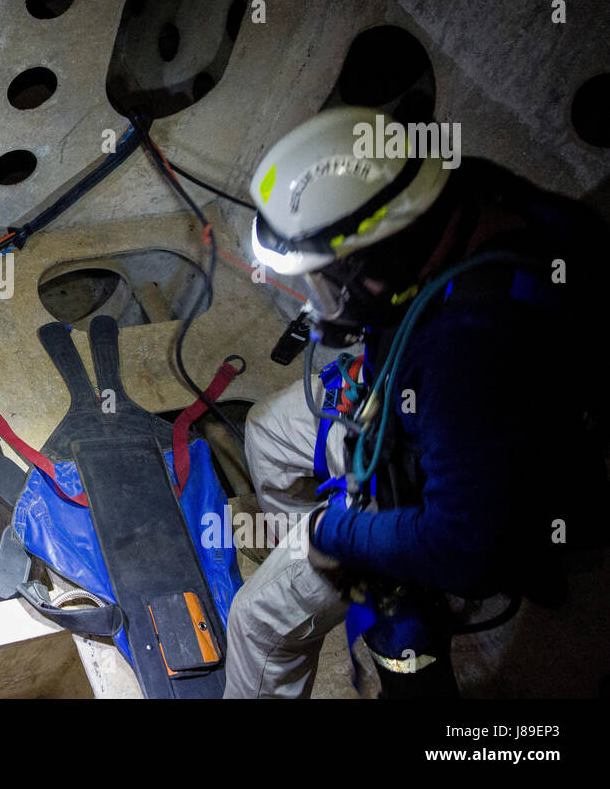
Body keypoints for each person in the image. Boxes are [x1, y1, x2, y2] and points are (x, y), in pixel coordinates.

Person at [223, 106, 607, 698]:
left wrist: (336, 535)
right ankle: (312, 571)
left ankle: (325, 577)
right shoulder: (447, 195)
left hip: (452, 473)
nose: (315, 303)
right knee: (269, 429)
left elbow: (466, 550)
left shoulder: (473, 348)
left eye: (326, 280)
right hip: (407, 400)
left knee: (255, 621)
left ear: (376, 260)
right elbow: (407, 316)